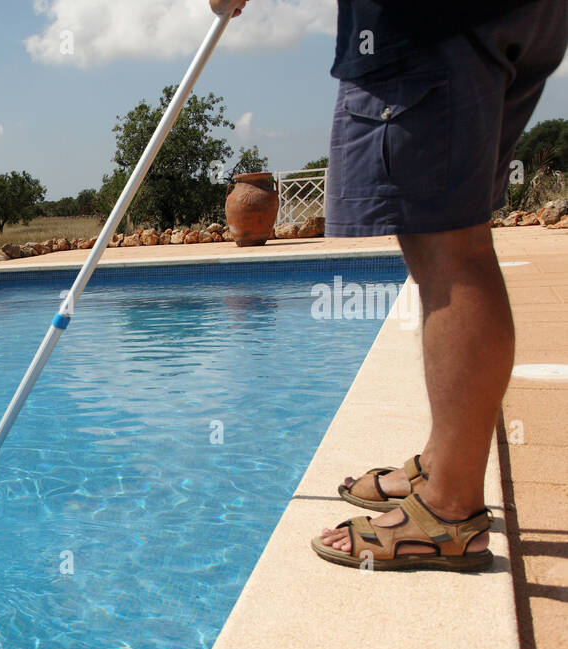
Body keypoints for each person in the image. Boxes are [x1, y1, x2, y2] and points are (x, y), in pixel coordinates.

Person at [212, 0, 567, 571]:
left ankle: (449, 510)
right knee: (458, 238)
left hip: (426, 22)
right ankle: (441, 463)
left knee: (449, 248)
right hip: (522, 15)